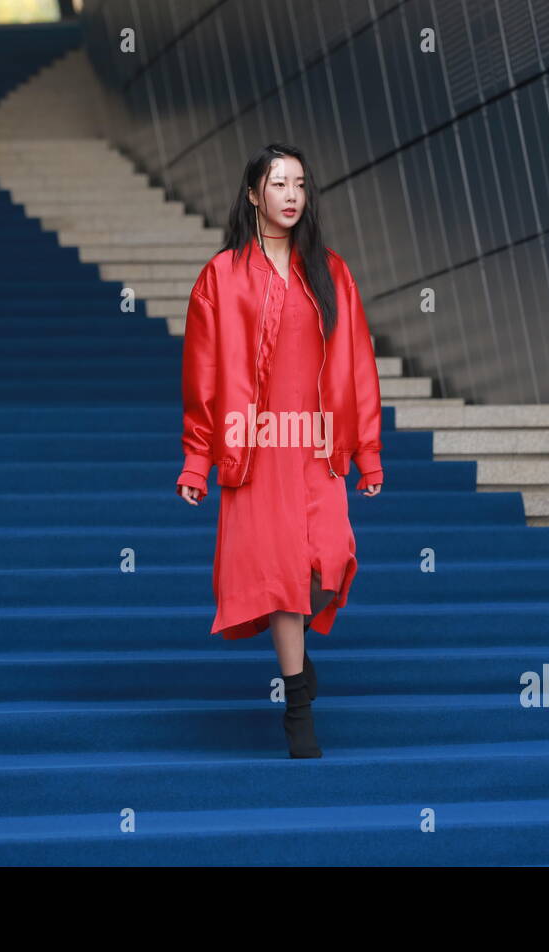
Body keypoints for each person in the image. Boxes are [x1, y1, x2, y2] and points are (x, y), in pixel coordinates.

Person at [175, 143, 384, 759]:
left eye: (299, 184)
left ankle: (300, 671)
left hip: (316, 447)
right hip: (255, 450)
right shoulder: (222, 275)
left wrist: (366, 453)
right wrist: (196, 459)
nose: (291, 195)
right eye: (278, 183)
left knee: (332, 559)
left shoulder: (332, 272)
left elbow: (358, 365)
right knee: (283, 578)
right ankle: (298, 704)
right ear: (252, 195)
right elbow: (203, 375)